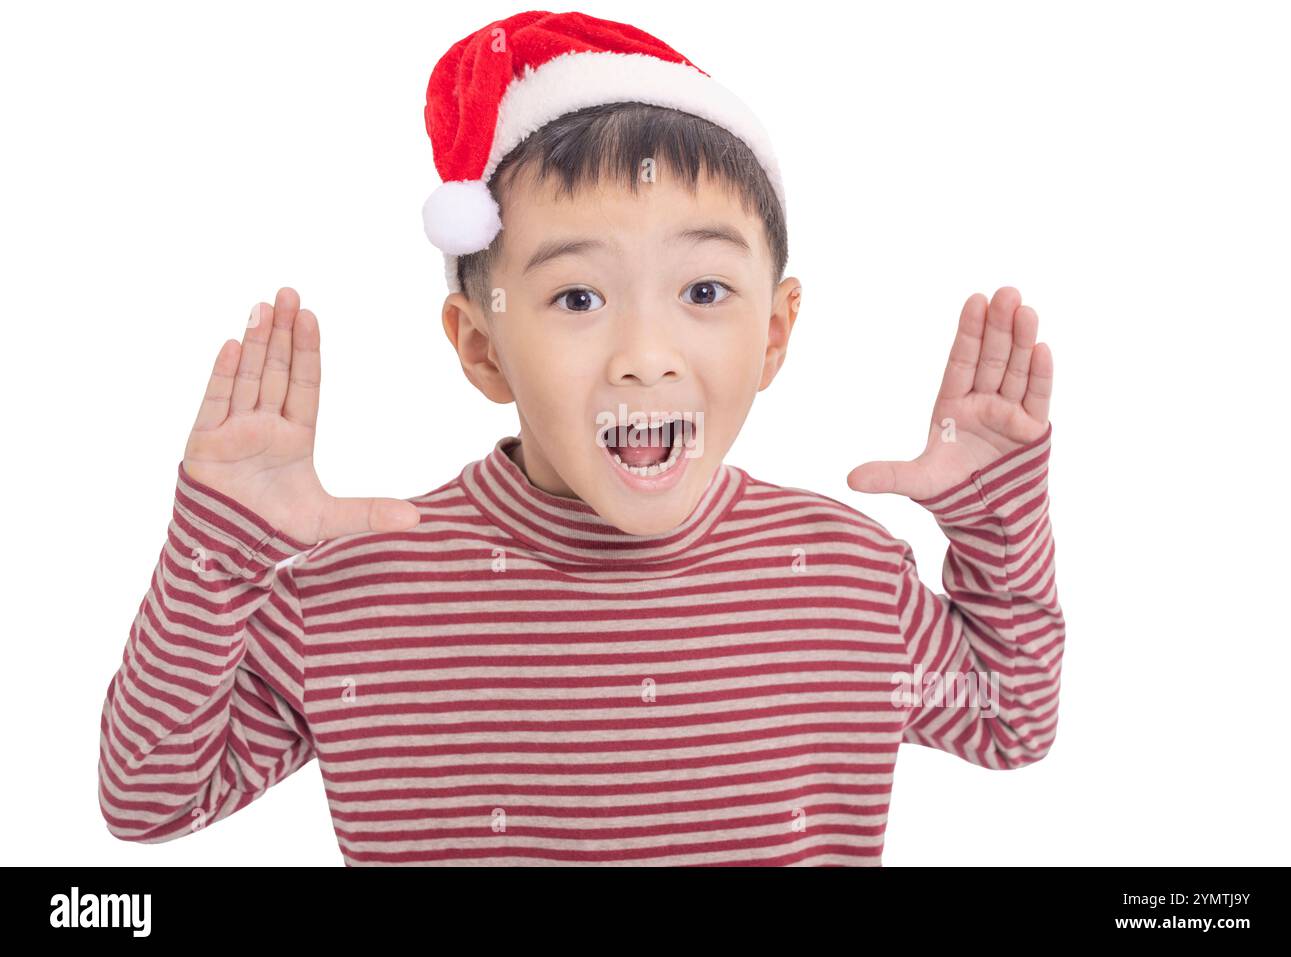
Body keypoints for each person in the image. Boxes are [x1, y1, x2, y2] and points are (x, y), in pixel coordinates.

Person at [98, 9, 1062, 865]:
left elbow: (1012, 721)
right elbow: (149, 801)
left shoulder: (850, 578)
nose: (645, 356)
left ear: (773, 333)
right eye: (576, 296)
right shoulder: (354, 593)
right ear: (482, 350)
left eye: (703, 291)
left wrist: (995, 524)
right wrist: (215, 560)